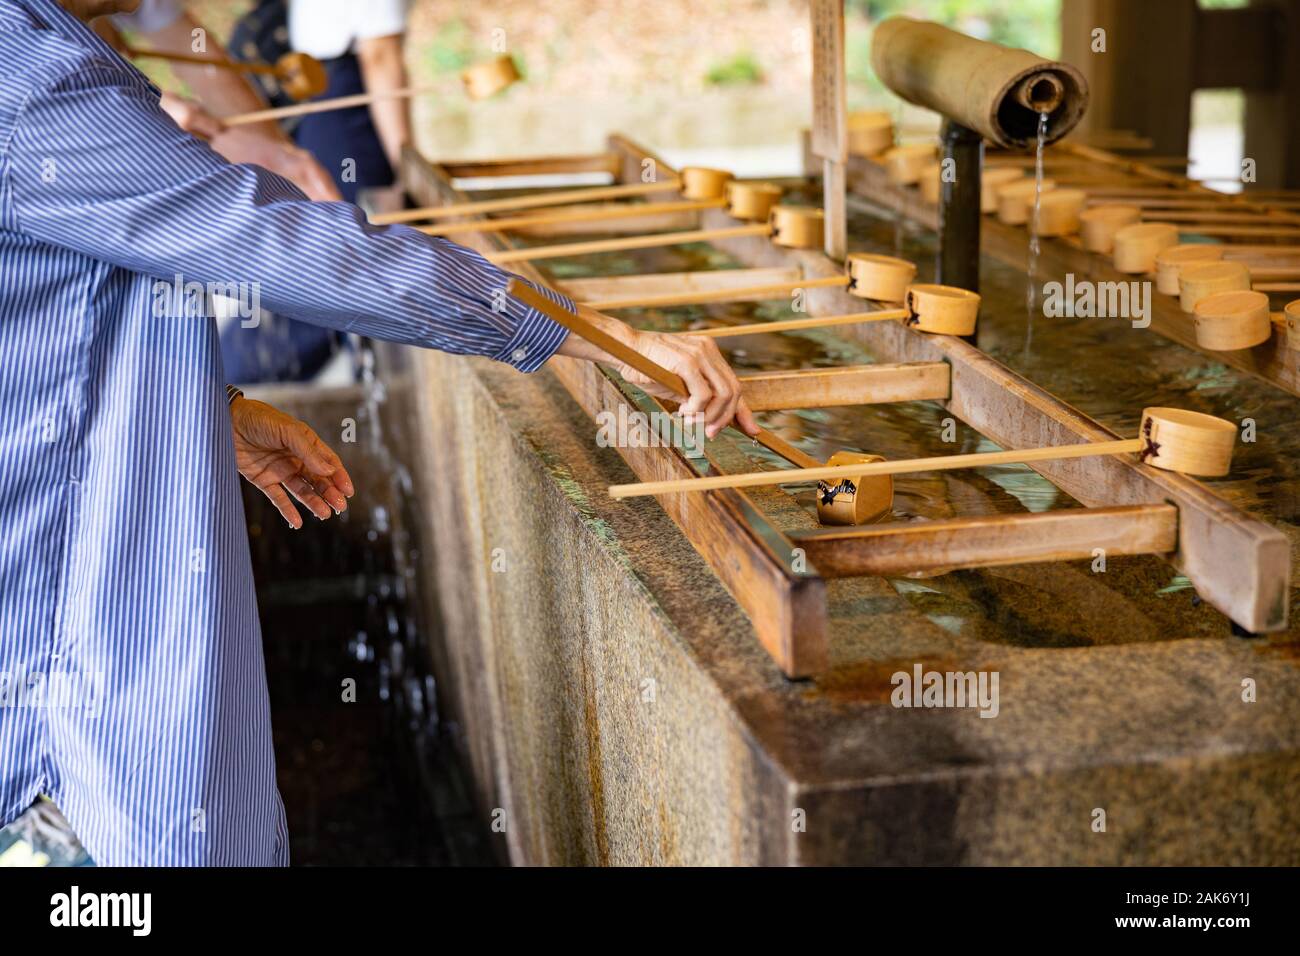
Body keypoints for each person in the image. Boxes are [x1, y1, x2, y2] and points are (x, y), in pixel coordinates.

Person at [0, 0, 757, 866]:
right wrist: (597, 334)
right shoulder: (35, 79)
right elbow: (293, 246)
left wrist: (211, 411)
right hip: (53, 667)